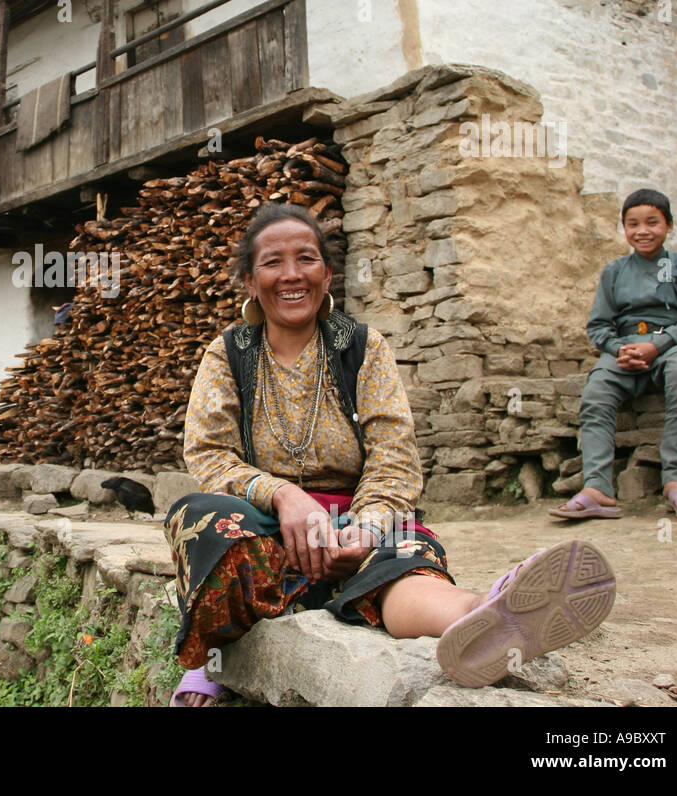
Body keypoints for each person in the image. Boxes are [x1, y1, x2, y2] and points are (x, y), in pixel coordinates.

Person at [167, 203, 617, 705]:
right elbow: (209, 454)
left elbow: (394, 459)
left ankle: (487, 613)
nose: (292, 275)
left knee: (398, 563)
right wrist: (284, 496)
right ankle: (215, 656)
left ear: (327, 273)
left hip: (360, 524)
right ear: (250, 282)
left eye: (307, 259)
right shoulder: (229, 353)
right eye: (273, 263)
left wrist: (367, 528)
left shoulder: (361, 347)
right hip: (270, 528)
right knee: (203, 517)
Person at [550, 189, 677, 520]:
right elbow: (598, 327)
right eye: (632, 224)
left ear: (668, 225)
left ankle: (676, 482)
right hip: (625, 350)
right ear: (624, 229)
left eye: (652, 222)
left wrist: (658, 345)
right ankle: (597, 489)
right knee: (596, 392)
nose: (642, 231)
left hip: (676, 345)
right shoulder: (614, 272)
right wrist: (619, 349)